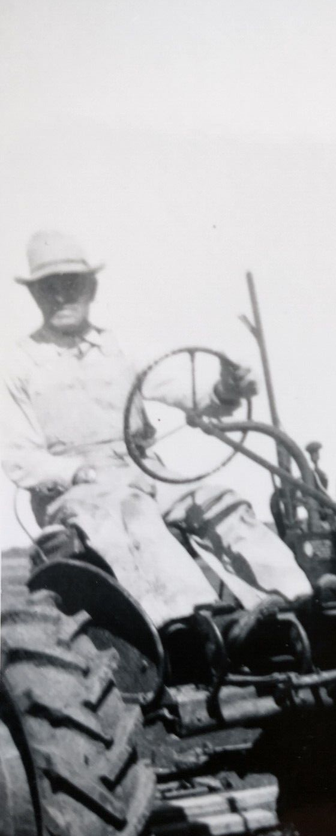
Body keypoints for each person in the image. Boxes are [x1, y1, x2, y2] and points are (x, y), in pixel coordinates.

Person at [2, 230, 312, 625]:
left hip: (143, 469)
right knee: (131, 510)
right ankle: (195, 619)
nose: (61, 295)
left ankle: (288, 603)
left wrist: (224, 389)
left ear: (91, 288)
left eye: (71, 284)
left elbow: (184, 390)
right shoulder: (18, 364)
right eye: (49, 287)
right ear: (35, 294)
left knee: (216, 500)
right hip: (75, 492)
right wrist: (75, 472)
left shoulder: (120, 348)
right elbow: (19, 456)